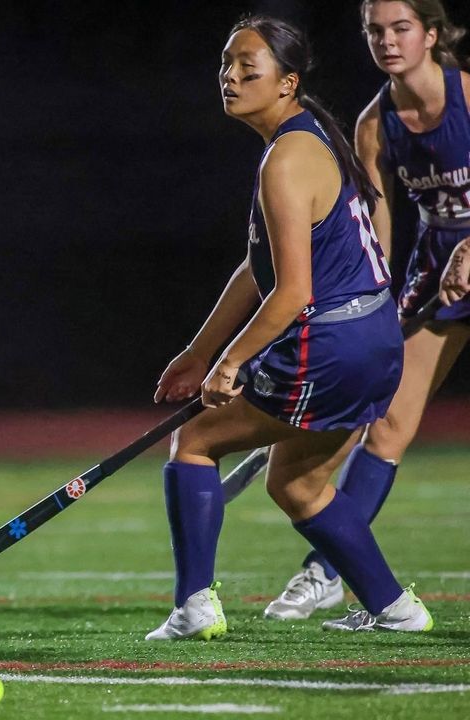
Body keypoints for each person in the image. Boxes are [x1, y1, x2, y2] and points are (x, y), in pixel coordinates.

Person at [149, 16, 432, 640]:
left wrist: (230, 363)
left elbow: (292, 293)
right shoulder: (303, 141)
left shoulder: (288, 157)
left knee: (194, 441)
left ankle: (194, 608)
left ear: (288, 82)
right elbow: (257, 269)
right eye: (226, 65)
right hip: (374, 340)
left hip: (332, 345)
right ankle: (396, 609)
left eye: (248, 68)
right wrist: (200, 352)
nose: (230, 77)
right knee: (299, 485)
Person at [263, 0, 470, 622]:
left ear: (431, 34)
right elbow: (375, 236)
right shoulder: (374, 125)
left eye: (401, 28)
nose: (387, 41)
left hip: (463, 256)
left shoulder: (468, 96)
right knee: (386, 428)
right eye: (375, 31)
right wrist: (365, 307)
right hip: (438, 271)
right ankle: (326, 572)